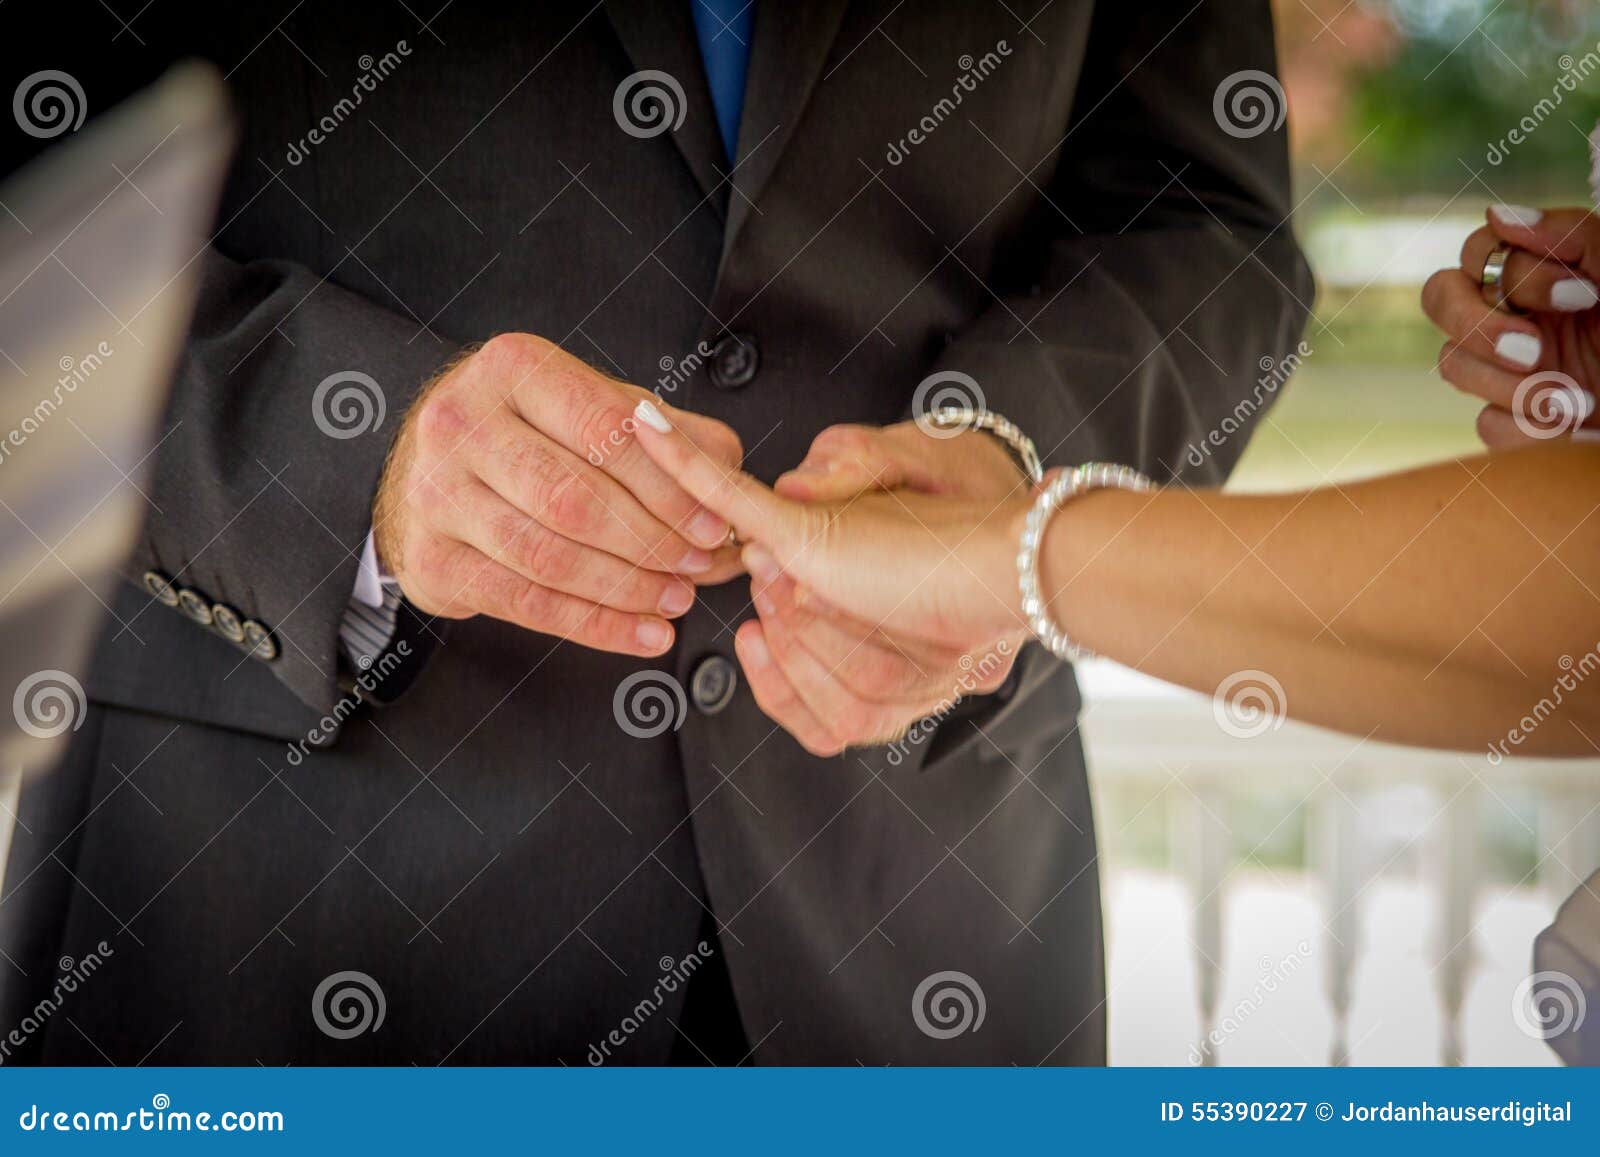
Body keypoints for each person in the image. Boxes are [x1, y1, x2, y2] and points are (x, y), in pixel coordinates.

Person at [0, 3, 1311, 1064]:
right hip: (264, 921)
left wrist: (1016, 465)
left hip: (925, 923)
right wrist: (344, 444)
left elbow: (1206, 219)